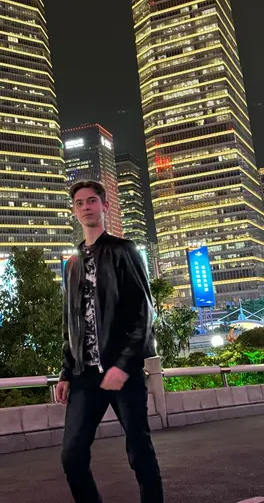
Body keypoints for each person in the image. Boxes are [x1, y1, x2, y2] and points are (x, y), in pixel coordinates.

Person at [56, 180, 164, 503]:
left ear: (105, 206)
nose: (86, 207)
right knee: (72, 456)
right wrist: (66, 372)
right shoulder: (71, 264)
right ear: (74, 211)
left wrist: (125, 365)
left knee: (139, 450)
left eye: (92, 201)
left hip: (121, 371)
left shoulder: (123, 250)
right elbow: (71, 323)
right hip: (85, 375)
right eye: (79, 203)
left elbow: (145, 311)